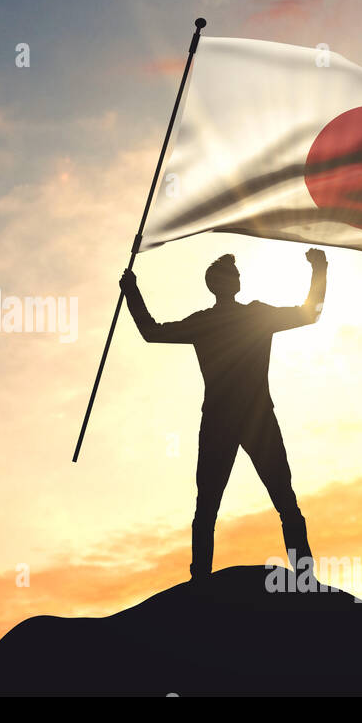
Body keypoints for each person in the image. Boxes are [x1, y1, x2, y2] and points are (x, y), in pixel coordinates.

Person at [119, 248, 328, 580]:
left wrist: (132, 292)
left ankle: (211, 577)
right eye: (232, 275)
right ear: (221, 285)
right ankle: (213, 578)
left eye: (236, 275)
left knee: (250, 502)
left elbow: (152, 331)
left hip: (237, 418)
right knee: (235, 503)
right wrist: (320, 268)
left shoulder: (218, 321)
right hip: (242, 418)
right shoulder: (242, 317)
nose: (236, 279)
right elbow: (310, 313)